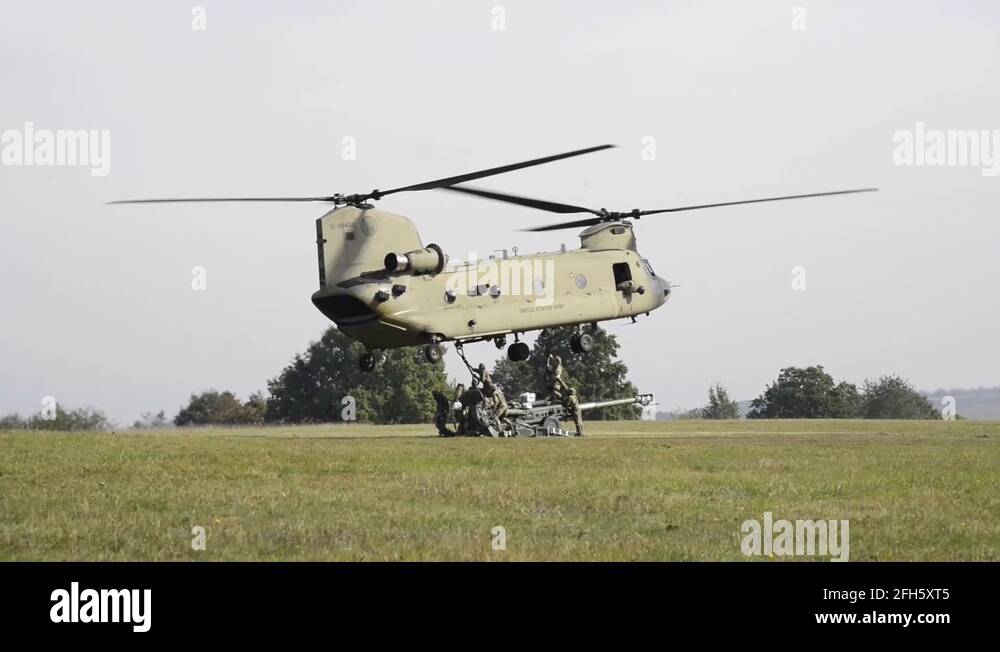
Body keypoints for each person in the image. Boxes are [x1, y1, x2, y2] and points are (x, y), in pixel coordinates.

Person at [544, 354, 583, 436]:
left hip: (575, 409)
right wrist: (549, 358)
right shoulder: (571, 394)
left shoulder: (571, 397)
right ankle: (580, 432)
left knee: (578, 421)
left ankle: (580, 433)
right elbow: (565, 387)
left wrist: (562, 402)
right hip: (573, 408)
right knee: (578, 421)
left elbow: (567, 404)